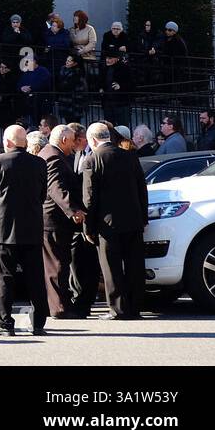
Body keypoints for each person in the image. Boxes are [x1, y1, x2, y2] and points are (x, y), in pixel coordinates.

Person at [0, 125, 49, 336]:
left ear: (8, 142)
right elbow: (42, 195)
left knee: (4, 278)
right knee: (35, 278)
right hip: (31, 227)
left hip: (4, 229)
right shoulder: (39, 163)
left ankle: (5, 323)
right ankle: (38, 323)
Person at [81, 121, 148, 320]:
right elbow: (141, 190)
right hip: (133, 220)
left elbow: (89, 198)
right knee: (135, 265)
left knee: (111, 267)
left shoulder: (92, 160)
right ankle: (135, 306)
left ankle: (118, 308)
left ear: (93, 139)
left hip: (107, 223)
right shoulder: (130, 157)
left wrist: (88, 227)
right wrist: (143, 217)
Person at [40, 125, 87, 319]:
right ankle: (59, 307)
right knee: (57, 264)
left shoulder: (49, 153)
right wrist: (72, 209)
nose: (74, 145)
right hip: (54, 219)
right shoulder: (53, 156)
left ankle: (59, 304)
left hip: (53, 219)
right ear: (64, 140)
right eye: (72, 140)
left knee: (56, 263)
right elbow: (56, 188)